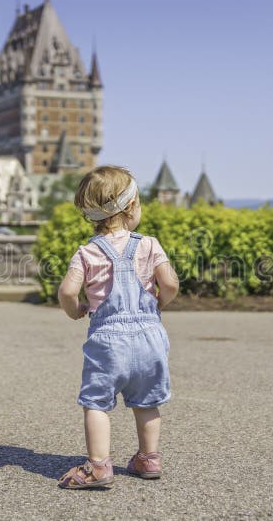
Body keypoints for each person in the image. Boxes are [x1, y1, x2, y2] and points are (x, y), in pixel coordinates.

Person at [56, 165, 179, 489]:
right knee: (147, 400)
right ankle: (148, 458)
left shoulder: (88, 252)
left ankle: (98, 467)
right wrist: (157, 304)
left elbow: (67, 292)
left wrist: (76, 310)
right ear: (130, 207)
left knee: (97, 403)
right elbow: (170, 284)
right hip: (149, 338)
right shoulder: (149, 245)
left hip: (108, 342)